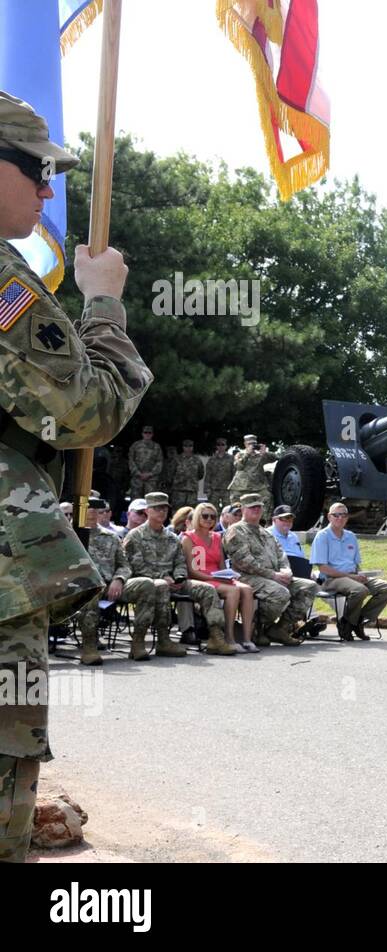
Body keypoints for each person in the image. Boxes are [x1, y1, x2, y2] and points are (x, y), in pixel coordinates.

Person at [0, 91, 153, 863]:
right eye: (36, 169)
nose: (49, 188)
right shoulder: (4, 290)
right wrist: (103, 303)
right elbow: (88, 412)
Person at [125, 493, 237, 656]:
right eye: (157, 508)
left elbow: (180, 562)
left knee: (207, 589)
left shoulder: (171, 538)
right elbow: (135, 566)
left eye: (165, 508)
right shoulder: (135, 536)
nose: (162, 512)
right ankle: (154, 641)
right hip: (149, 582)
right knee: (161, 586)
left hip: (176, 582)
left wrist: (179, 577)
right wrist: (162, 577)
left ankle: (216, 638)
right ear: (147, 511)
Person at [75, 498, 169, 665]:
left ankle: (138, 643)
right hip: (83, 587)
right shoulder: (71, 536)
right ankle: (89, 647)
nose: (91, 513)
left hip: (110, 585)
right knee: (89, 589)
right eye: (88, 509)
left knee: (146, 584)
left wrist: (118, 579)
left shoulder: (111, 537)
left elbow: (124, 565)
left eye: (95, 510)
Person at [223, 493, 318, 646]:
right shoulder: (236, 531)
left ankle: (279, 629)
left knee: (309, 587)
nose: (256, 510)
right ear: (244, 510)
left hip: (273, 576)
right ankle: (257, 627)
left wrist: (286, 571)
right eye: (252, 507)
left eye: (259, 507)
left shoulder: (265, 532)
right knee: (280, 593)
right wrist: (273, 575)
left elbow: (281, 554)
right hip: (247, 577)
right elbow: (244, 562)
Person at [311, 503, 387, 642]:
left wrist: (360, 575)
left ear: (347, 517)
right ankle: (346, 623)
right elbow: (323, 569)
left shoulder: (351, 536)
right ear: (329, 517)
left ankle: (358, 622)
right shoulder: (322, 536)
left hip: (352, 576)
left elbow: (356, 564)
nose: (340, 518)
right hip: (331, 579)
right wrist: (352, 577)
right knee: (360, 590)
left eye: (343, 515)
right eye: (336, 515)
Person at [182, 502, 258, 653]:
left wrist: (228, 576)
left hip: (218, 577)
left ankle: (247, 639)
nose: (209, 519)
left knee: (247, 589)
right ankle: (229, 638)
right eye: (205, 516)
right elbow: (191, 571)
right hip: (200, 578)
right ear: (197, 517)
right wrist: (215, 578)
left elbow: (222, 565)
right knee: (232, 591)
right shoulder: (188, 538)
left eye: (212, 516)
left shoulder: (217, 537)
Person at [227, 434, 274, 510]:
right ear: (245, 444)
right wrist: (247, 454)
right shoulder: (240, 455)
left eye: (254, 444)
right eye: (249, 444)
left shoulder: (261, 455)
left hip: (258, 487)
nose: (252, 446)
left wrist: (265, 452)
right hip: (241, 487)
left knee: (267, 498)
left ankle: (264, 521)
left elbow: (275, 458)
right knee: (237, 508)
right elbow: (238, 466)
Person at [128, 425, 163, 498]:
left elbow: (159, 462)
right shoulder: (135, 445)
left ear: (152, 434)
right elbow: (131, 460)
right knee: (136, 500)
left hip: (151, 480)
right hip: (137, 479)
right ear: (142, 434)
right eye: (145, 432)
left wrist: (150, 474)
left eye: (149, 432)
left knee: (150, 500)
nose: (147, 434)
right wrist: (138, 473)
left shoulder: (157, 447)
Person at [170, 439, 204, 510]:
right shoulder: (177, 459)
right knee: (177, 510)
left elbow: (201, 474)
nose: (188, 448)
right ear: (183, 447)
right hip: (178, 490)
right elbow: (171, 473)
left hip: (192, 490)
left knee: (191, 511)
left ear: (192, 447)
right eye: (186, 446)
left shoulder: (197, 460)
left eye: (190, 446)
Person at [205, 437, 235, 509]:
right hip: (214, 490)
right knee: (213, 510)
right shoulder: (212, 459)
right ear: (216, 446)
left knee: (228, 510)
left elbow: (234, 474)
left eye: (222, 444)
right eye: (218, 444)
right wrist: (207, 489)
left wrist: (234, 489)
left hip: (227, 490)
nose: (220, 446)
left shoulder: (231, 459)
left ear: (226, 446)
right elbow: (208, 475)